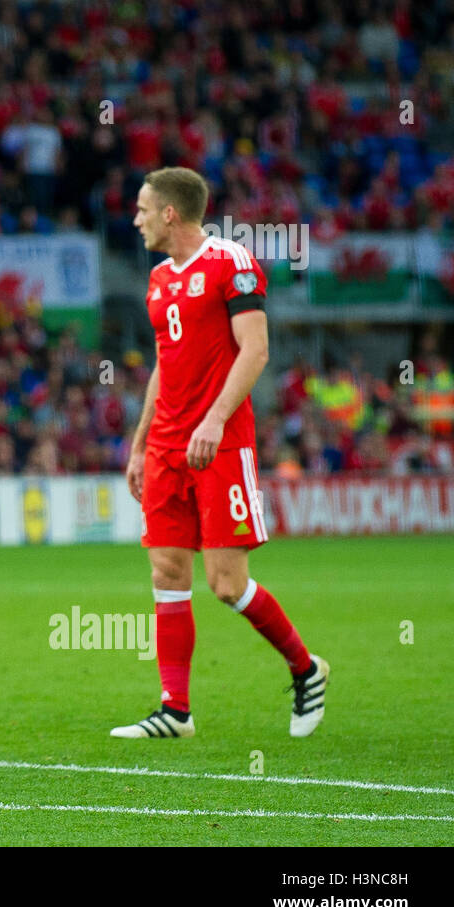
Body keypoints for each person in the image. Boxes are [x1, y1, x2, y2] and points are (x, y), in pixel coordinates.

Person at [116, 167, 328, 738]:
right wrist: (139, 445)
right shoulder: (159, 280)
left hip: (220, 442)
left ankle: (306, 669)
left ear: (169, 213)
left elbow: (255, 352)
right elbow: (165, 364)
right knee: (166, 570)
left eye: (141, 208)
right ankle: (175, 710)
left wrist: (213, 419)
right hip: (165, 445)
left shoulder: (232, 264)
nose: (134, 218)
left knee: (228, 584)